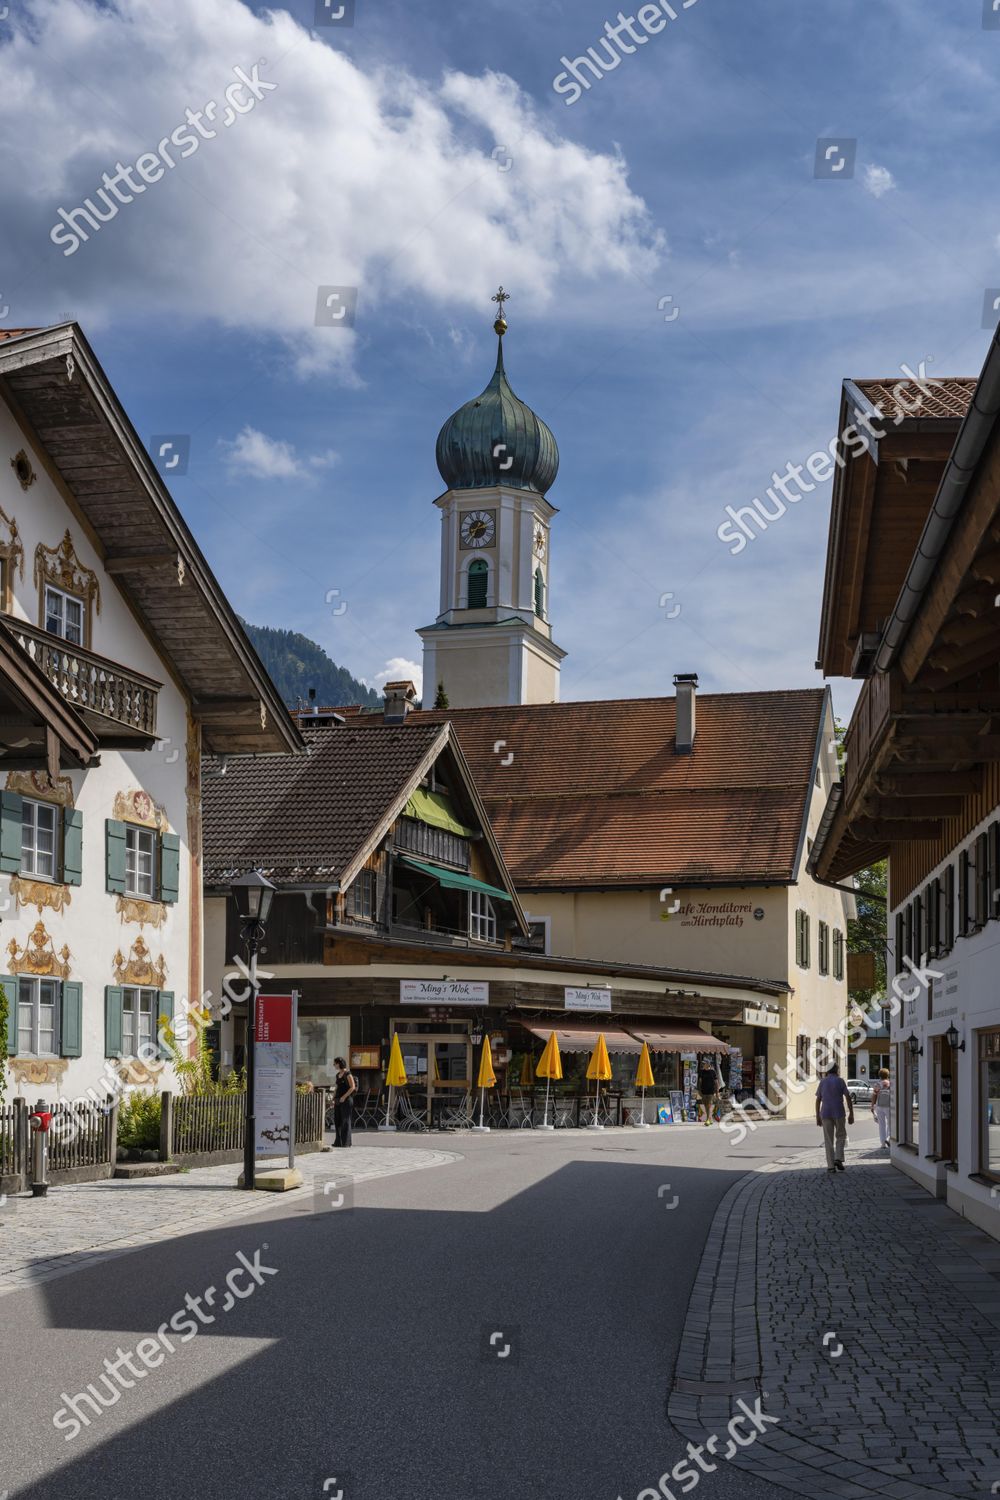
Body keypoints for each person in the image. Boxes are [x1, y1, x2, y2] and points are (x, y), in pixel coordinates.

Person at [816, 1062, 854, 1173]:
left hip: (826, 1112)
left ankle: (831, 1166)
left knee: (828, 1140)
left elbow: (818, 1099)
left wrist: (818, 1116)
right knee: (841, 1136)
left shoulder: (822, 1082)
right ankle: (838, 1158)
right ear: (837, 1070)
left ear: (827, 1070)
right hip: (839, 1112)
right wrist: (851, 1113)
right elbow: (848, 1097)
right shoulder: (840, 1081)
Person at [333, 1056, 356, 1147]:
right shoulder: (338, 1075)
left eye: (335, 1063)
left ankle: (346, 1142)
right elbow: (337, 1087)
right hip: (338, 1099)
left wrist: (344, 1097)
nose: (334, 1065)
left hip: (346, 1100)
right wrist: (333, 1098)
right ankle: (338, 1142)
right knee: (337, 1120)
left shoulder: (348, 1074)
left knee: (345, 1121)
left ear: (339, 1063)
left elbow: (352, 1087)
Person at [871, 1067, 891, 1149]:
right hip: (889, 1106)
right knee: (890, 1124)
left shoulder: (877, 1084)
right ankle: (888, 1138)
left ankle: (883, 1143)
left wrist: (872, 1106)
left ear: (880, 1075)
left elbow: (874, 1095)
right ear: (887, 1075)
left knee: (881, 1125)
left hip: (879, 1106)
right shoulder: (890, 1083)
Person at [697, 1058, 718, 1126]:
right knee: (706, 1106)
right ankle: (710, 1118)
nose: (703, 1064)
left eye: (705, 1063)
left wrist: (717, 1092)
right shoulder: (701, 1072)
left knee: (708, 1105)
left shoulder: (713, 1072)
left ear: (708, 1064)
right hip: (703, 1091)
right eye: (703, 1063)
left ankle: (707, 1120)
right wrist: (699, 1091)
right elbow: (700, 1082)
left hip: (711, 1091)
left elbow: (716, 1082)